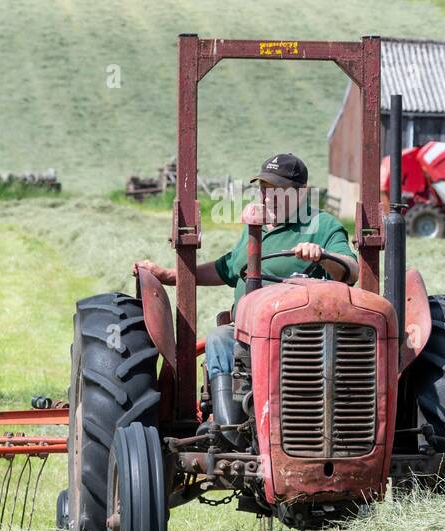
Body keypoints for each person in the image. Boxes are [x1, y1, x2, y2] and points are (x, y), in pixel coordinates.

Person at [132, 152, 358, 433]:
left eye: (277, 190)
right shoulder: (255, 228)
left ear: (300, 194)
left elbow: (350, 269)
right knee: (220, 338)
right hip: (246, 333)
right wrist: (170, 275)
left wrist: (322, 255)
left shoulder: (322, 225)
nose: (267, 197)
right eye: (264, 190)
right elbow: (226, 268)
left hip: (299, 337)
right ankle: (230, 430)